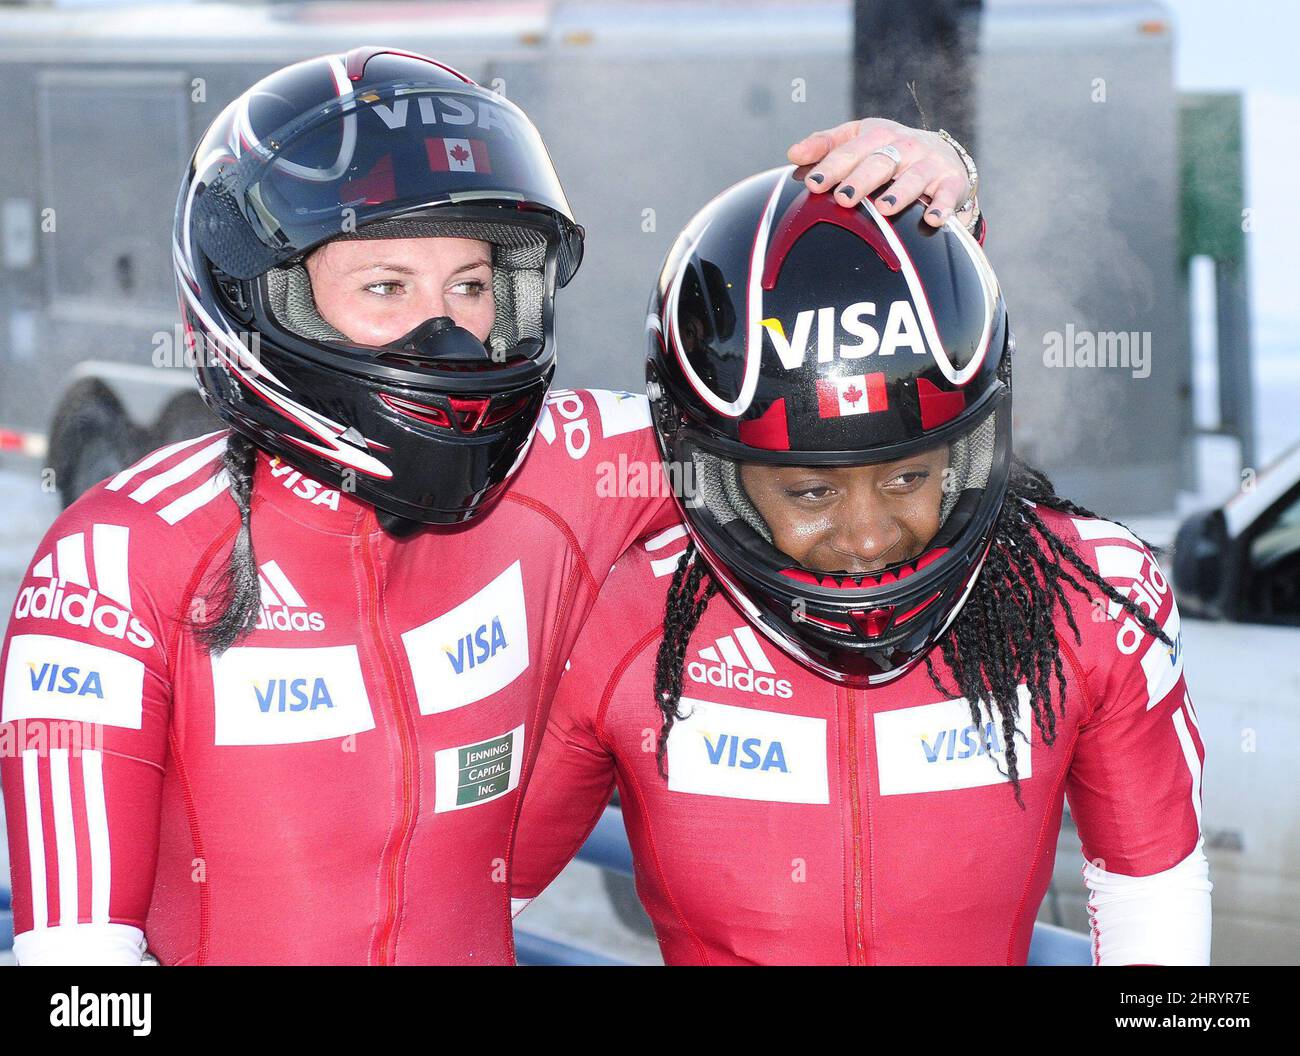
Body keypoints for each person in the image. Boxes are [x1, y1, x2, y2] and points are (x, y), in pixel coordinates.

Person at [0, 49, 978, 964]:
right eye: (385, 285)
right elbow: (76, 977)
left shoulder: (568, 471)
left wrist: (928, 201)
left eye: (472, 284)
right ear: (264, 299)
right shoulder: (122, 562)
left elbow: (827, 400)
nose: (450, 331)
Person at [510, 168, 1212, 965]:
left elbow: (1150, 894)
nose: (871, 536)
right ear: (713, 470)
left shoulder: (1087, 594)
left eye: (910, 476)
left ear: (976, 443)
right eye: (810, 490)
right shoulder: (616, 612)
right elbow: (456, 900)